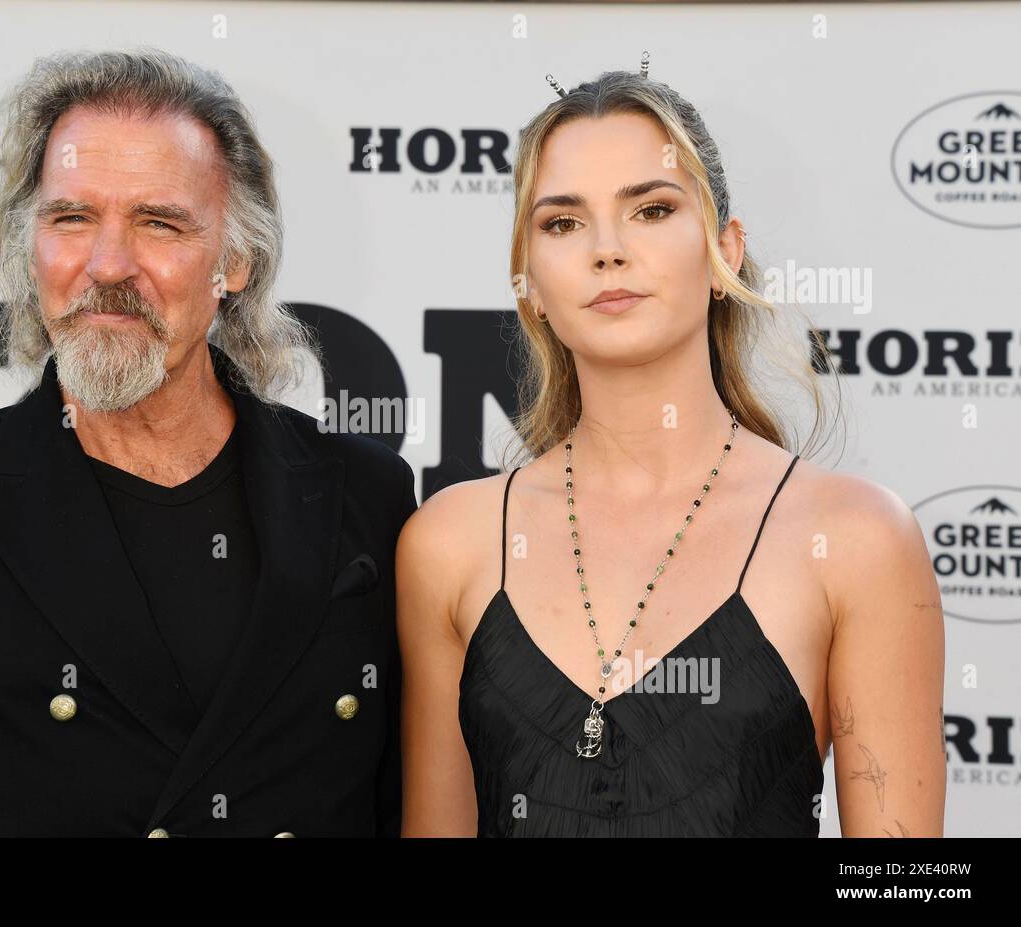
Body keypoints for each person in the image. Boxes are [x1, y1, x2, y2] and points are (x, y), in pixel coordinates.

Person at [0, 48, 415, 837]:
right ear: (30, 248)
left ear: (235, 262)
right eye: (71, 218)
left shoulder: (366, 497)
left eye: (158, 223)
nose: (107, 265)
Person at [395, 67, 945, 836]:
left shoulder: (856, 540)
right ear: (529, 285)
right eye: (562, 223)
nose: (608, 250)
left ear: (725, 251)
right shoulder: (450, 542)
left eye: (651, 210)